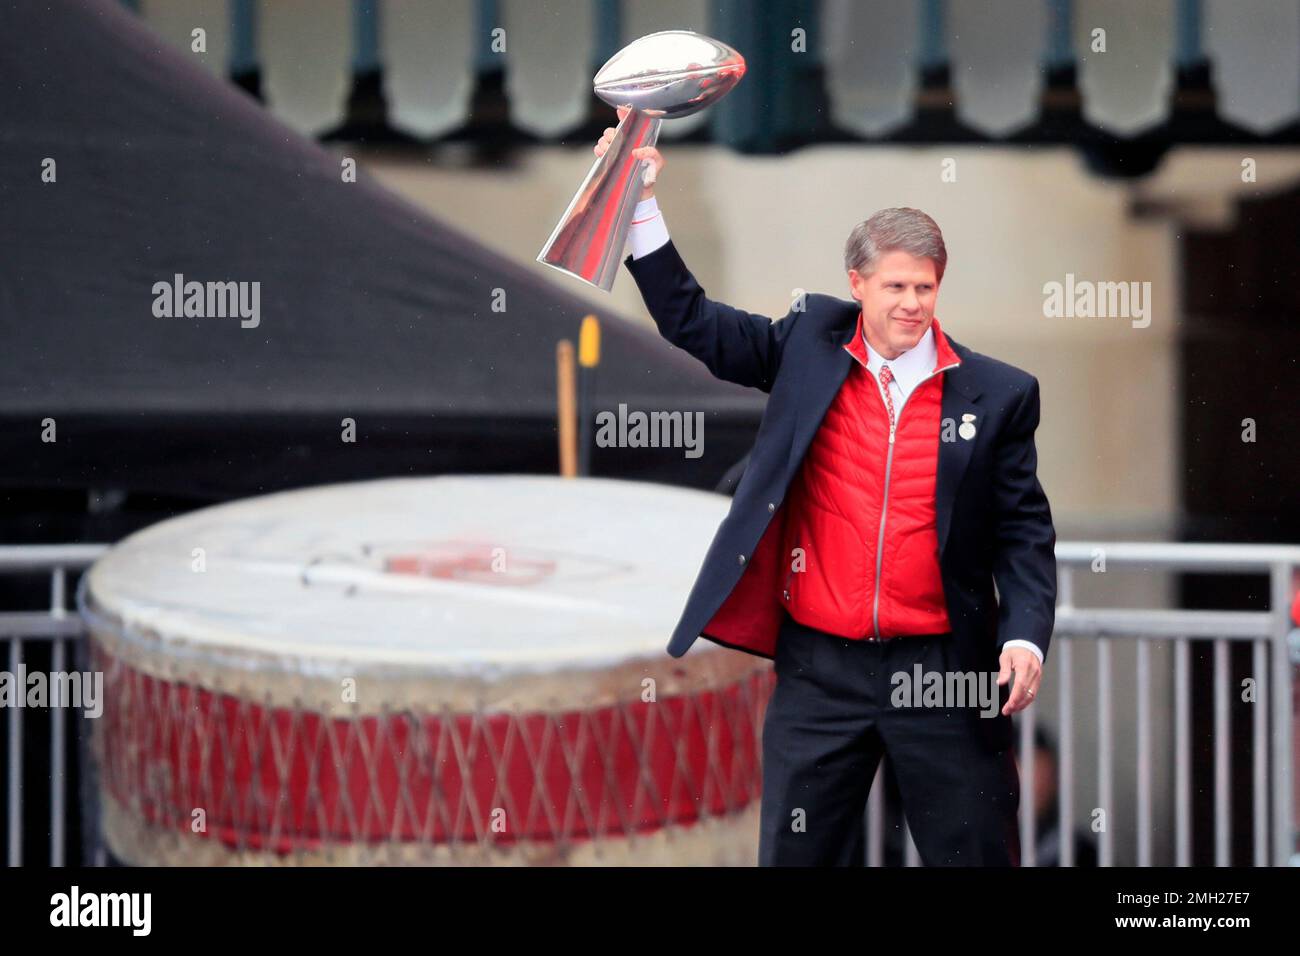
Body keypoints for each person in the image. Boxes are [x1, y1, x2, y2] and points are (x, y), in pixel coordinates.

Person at [595, 108, 1056, 866]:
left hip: (940, 667)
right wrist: (641, 203)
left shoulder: (996, 394)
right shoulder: (806, 343)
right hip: (820, 667)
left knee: (972, 849)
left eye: (927, 288)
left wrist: (1024, 634)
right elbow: (694, 323)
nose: (912, 304)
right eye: (896, 286)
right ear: (858, 283)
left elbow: (1024, 533)